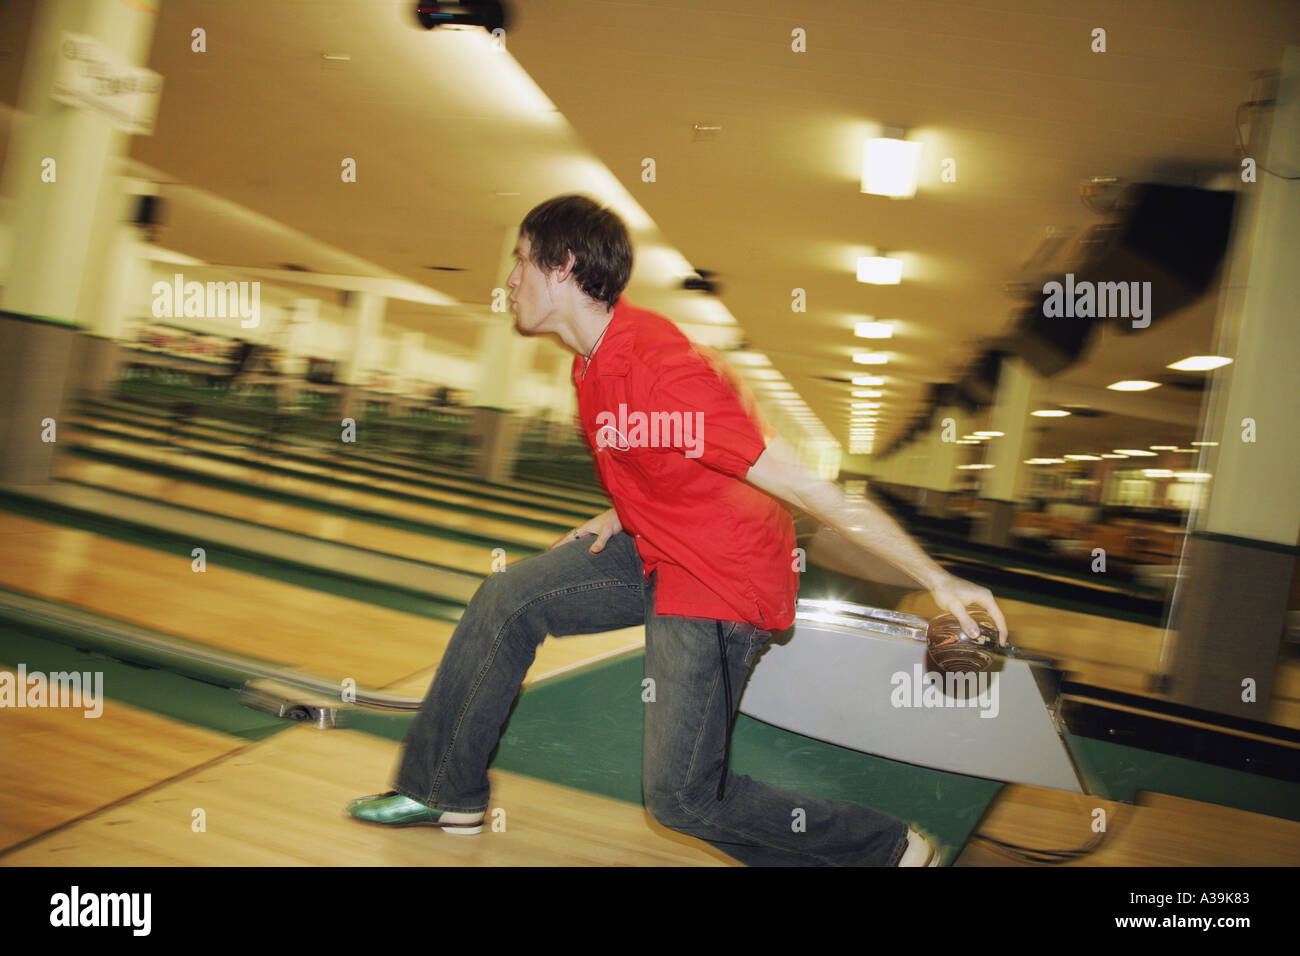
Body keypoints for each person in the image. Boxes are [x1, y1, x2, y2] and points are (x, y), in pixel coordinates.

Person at [347, 194, 1008, 866]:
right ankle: (443, 791)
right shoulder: (591, 361)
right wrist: (624, 507)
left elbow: (811, 488)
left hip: (719, 579)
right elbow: (661, 454)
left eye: (520, 260)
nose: (509, 279)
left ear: (563, 267)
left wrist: (939, 579)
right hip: (659, 547)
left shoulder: (661, 370)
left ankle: (888, 851)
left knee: (683, 800)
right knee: (508, 599)